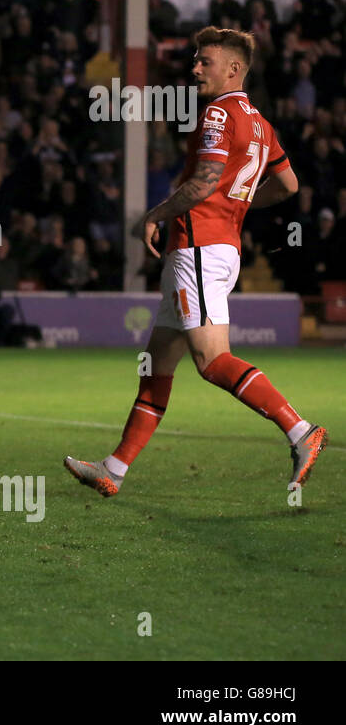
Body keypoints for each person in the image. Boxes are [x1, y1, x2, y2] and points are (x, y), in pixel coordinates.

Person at [65, 27, 328, 498]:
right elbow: (288, 186)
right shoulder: (263, 124)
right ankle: (114, 468)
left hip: (199, 248)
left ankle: (300, 430)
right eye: (195, 60)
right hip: (211, 245)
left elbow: (204, 181)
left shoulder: (219, 113)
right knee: (156, 364)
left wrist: (155, 214)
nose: (194, 68)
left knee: (211, 361)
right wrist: (239, 205)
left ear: (233, 69)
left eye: (204, 61)